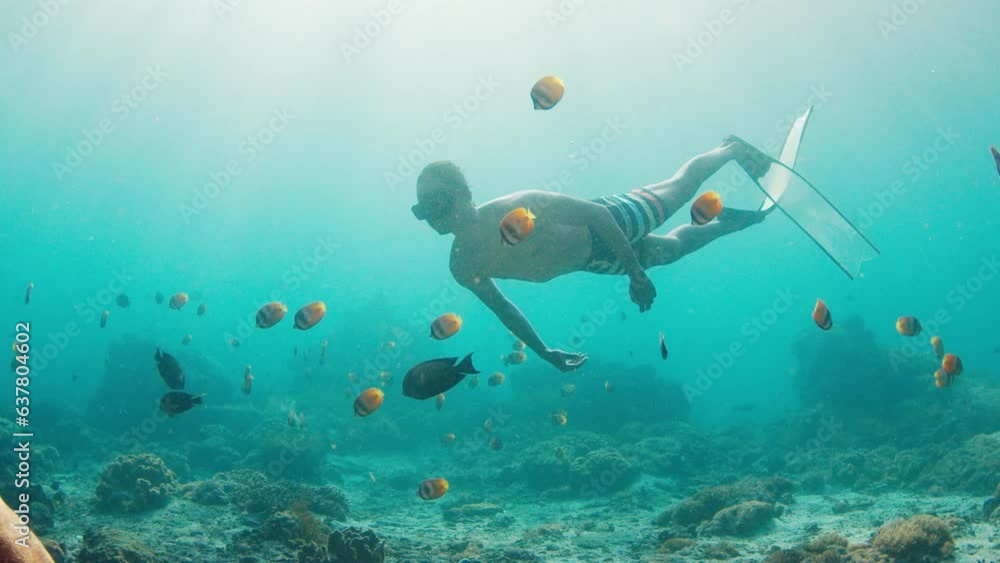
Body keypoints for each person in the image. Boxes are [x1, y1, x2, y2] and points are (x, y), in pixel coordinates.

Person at [411, 136, 775, 372]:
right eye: (422, 209)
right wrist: (544, 351)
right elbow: (503, 307)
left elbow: (596, 214)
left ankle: (730, 149)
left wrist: (635, 273)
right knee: (673, 250)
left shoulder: (517, 206)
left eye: (437, 201)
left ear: (463, 193)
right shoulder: (462, 265)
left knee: (679, 189)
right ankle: (731, 222)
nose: (432, 214)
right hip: (592, 261)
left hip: (610, 223)